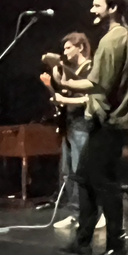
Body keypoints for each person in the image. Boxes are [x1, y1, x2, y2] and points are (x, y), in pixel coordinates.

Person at [60, 0, 128, 255]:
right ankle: (84, 241)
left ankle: (116, 248)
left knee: (104, 182)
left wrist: (65, 82)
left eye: (98, 5)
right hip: (109, 120)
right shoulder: (126, 35)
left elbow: (99, 84)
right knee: (84, 177)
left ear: (113, 8)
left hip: (111, 121)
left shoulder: (113, 40)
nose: (92, 10)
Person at [40, 32, 94, 222]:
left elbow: (90, 99)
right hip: (69, 125)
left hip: (82, 125)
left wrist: (59, 72)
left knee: (81, 171)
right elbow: (61, 98)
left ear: (80, 47)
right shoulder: (71, 72)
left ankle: (92, 213)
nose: (65, 51)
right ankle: (75, 212)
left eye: (68, 47)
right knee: (67, 171)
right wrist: (51, 84)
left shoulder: (90, 68)